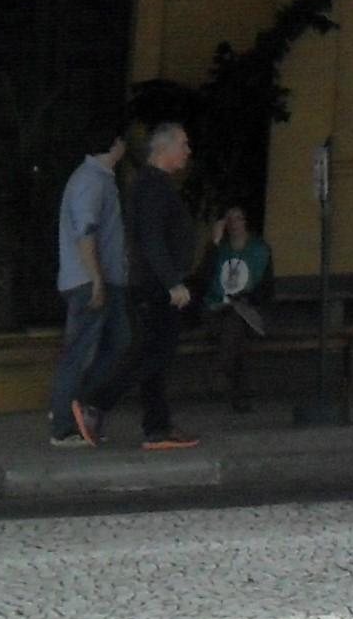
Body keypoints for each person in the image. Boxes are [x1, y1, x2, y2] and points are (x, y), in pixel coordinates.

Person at [75, 122, 202, 451]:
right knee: (155, 352)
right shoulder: (152, 187)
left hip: (153, 282)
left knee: (154, 355)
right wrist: (173, 282)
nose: (188, 151)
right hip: (155, 285)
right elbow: (152, 239)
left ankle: (157, 427)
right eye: (183, 144)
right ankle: (97, 403)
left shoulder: (154, 185)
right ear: (164, 148)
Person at [47, 120, 127, 448]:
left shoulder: (100, 180)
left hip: (104, 278)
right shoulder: (90, 182)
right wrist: (95, 279)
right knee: (79, 352)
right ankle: (64, 424)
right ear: (115, 143)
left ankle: (80, 409)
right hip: (89, 280)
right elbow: (85, 233)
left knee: (119, 342)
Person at [199, 206, 275, 414]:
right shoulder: (218, 250)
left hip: (247, 311)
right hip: (216, 309)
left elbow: (267, 290)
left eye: (238, 219)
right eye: (229, 220)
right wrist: (213, 243)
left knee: (236, 321)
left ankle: (219, 370)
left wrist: (245, 299)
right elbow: (203, 279)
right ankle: (240, 395)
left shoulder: (260, 250)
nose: (234, 224)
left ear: (245, 222)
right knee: (234, 334)